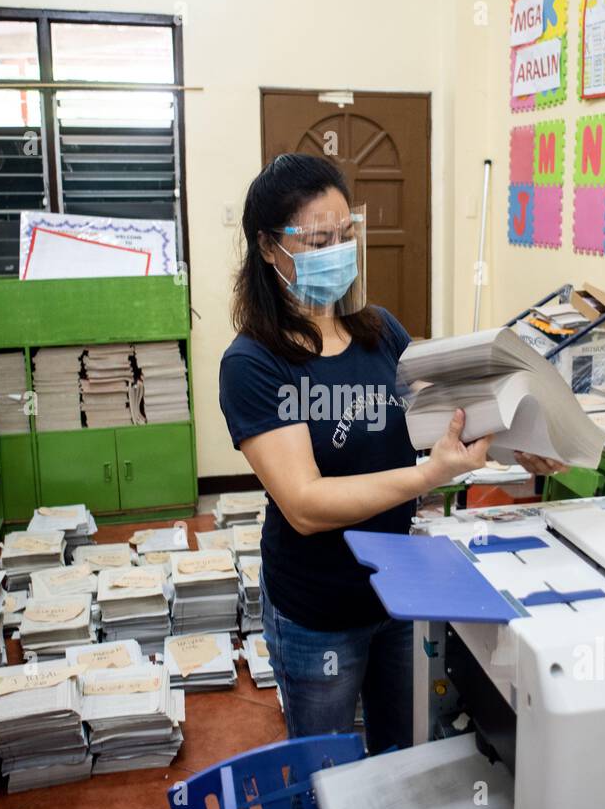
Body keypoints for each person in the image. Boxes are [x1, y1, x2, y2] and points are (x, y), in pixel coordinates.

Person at [218, 153, 566, 753]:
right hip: (318, 609)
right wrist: (427, 474)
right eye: (317, 238)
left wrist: (517, 442)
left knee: (407, 751)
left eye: (344, 234)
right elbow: (305, 504)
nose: (336, 249)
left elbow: (441, 418)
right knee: (327, 766)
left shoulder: (378, 329)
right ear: (270, 248)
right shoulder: (254, 363)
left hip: (399, 590)